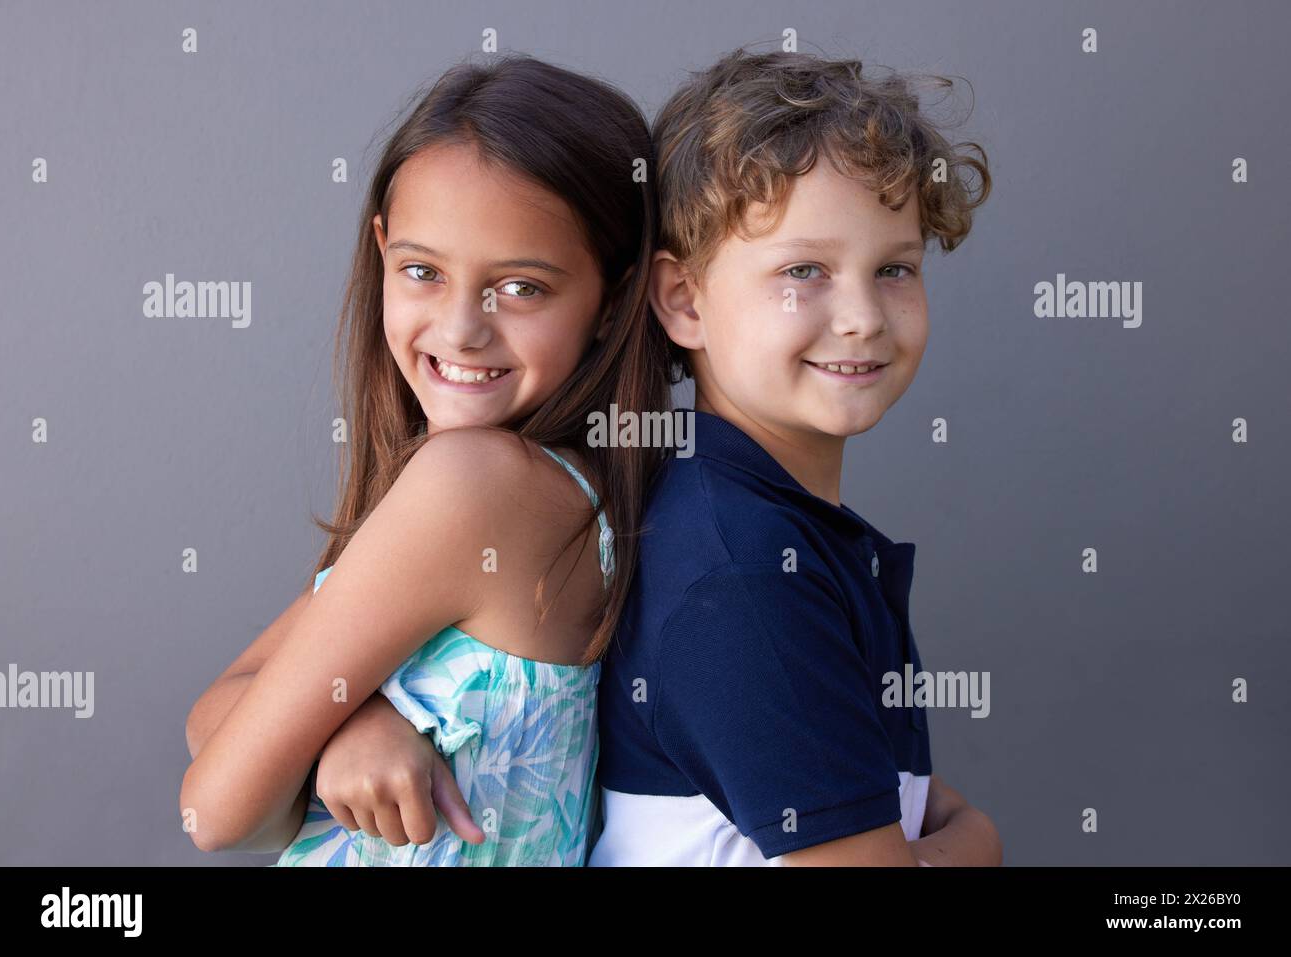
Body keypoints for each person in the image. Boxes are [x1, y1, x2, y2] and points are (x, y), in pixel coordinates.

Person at [180, 53, 671, 865]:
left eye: (521, 287)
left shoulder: (473, 485)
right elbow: (221, 702)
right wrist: (354, 719)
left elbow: (214, 810)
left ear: (615, 296)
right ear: (382, 252)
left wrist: (320, 719)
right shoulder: (583, 489)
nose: (460, 328)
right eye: (422, 271)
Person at [587, 48, 1002, 865]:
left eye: (894, 269)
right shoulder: (743, 574)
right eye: (802, 270)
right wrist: (981, 844)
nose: (861, 317)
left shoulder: (776, 532)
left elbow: (893, 798)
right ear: (684, 299)